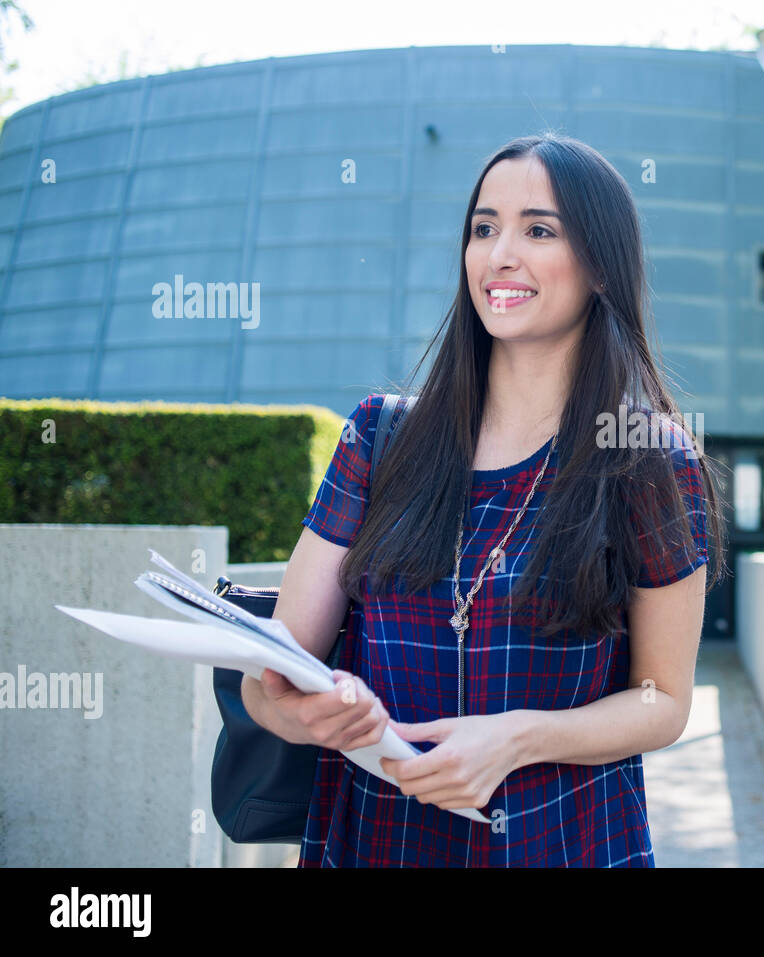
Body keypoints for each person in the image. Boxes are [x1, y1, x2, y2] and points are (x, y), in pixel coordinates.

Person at [239, 133, 726, 866]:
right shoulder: (378, 437)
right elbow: (264, 682)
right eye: (483, 228)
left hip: (561, 842)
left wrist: (516, 738)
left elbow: (664, 701)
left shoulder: (647, 458)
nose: (500, 253)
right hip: (379, 840)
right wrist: (310, 713)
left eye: (538, 229)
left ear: (600, 265)